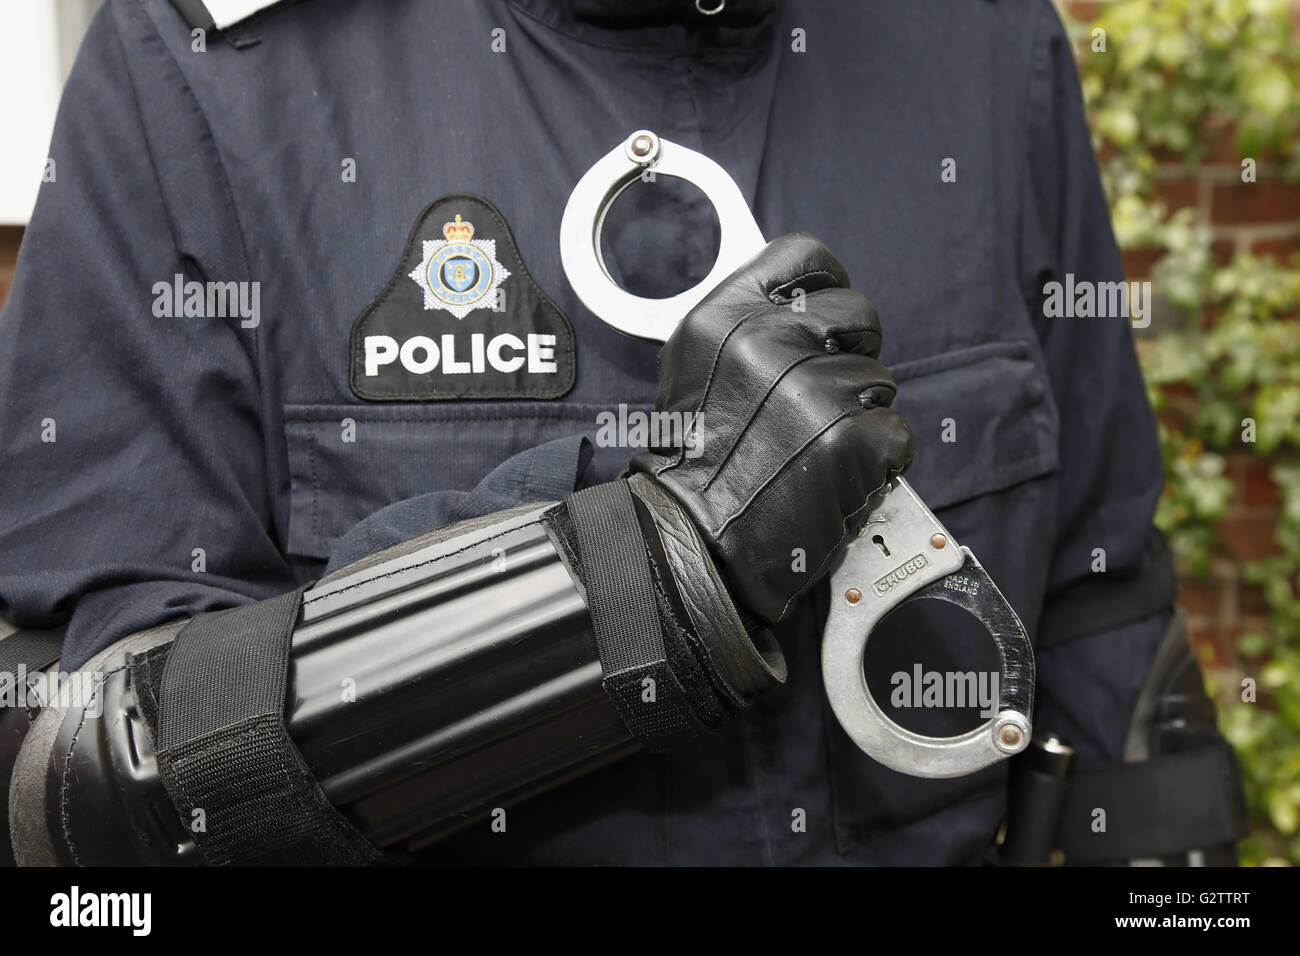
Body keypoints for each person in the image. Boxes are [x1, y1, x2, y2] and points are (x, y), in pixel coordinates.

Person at [0, 0, 1245, 865]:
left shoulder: (984, 46)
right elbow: (87, 770)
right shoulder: (203, 75)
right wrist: (649, 571)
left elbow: (1103, 599)